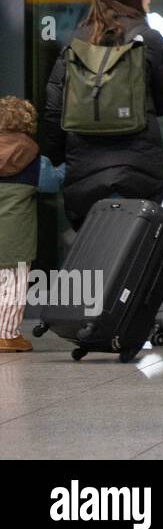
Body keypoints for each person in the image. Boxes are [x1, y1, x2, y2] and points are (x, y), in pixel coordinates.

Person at [44, 0, 163, 231]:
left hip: (84, 168)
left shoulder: (76, 41)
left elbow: (54, 105)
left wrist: (56, 156)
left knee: (95, 252)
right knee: (133, 252)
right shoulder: (149, 40)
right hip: (139, 168)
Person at [0, 98, 62, 353]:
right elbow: (54, 183)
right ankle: (6, 335)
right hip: (16, 238)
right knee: (12, 286)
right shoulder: (34, 158)